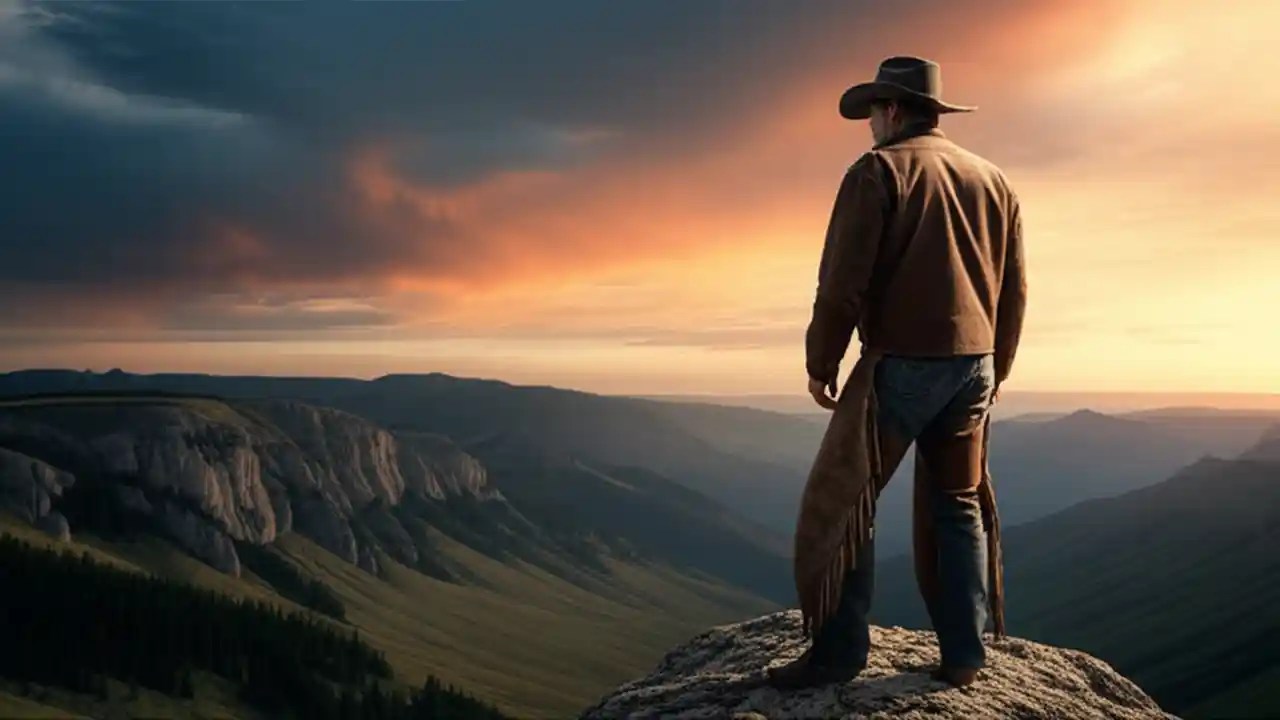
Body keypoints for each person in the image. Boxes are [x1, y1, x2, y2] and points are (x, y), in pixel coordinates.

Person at [770, 55, 1028, 690]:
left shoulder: (877, 172)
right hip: (975, 368)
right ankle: (966, 655)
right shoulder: (993, 180)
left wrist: (821, 361)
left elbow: (841, 284)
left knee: (844, 501)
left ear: (890, 110)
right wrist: (998, 368)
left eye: (871, 115)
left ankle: (837, 654)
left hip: (901, 365)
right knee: (959, 506)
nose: (869, 128)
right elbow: (1015, 289)